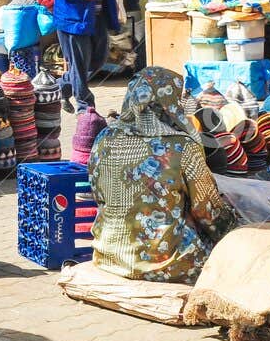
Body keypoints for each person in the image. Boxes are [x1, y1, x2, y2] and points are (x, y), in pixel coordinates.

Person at [87, 67, 239, 283]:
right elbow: (207, 212)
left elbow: (98, 194)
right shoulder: (182, 147)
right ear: (170, 103)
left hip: (109, 255)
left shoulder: (104, 138)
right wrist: (235, 228)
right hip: (168, 264)